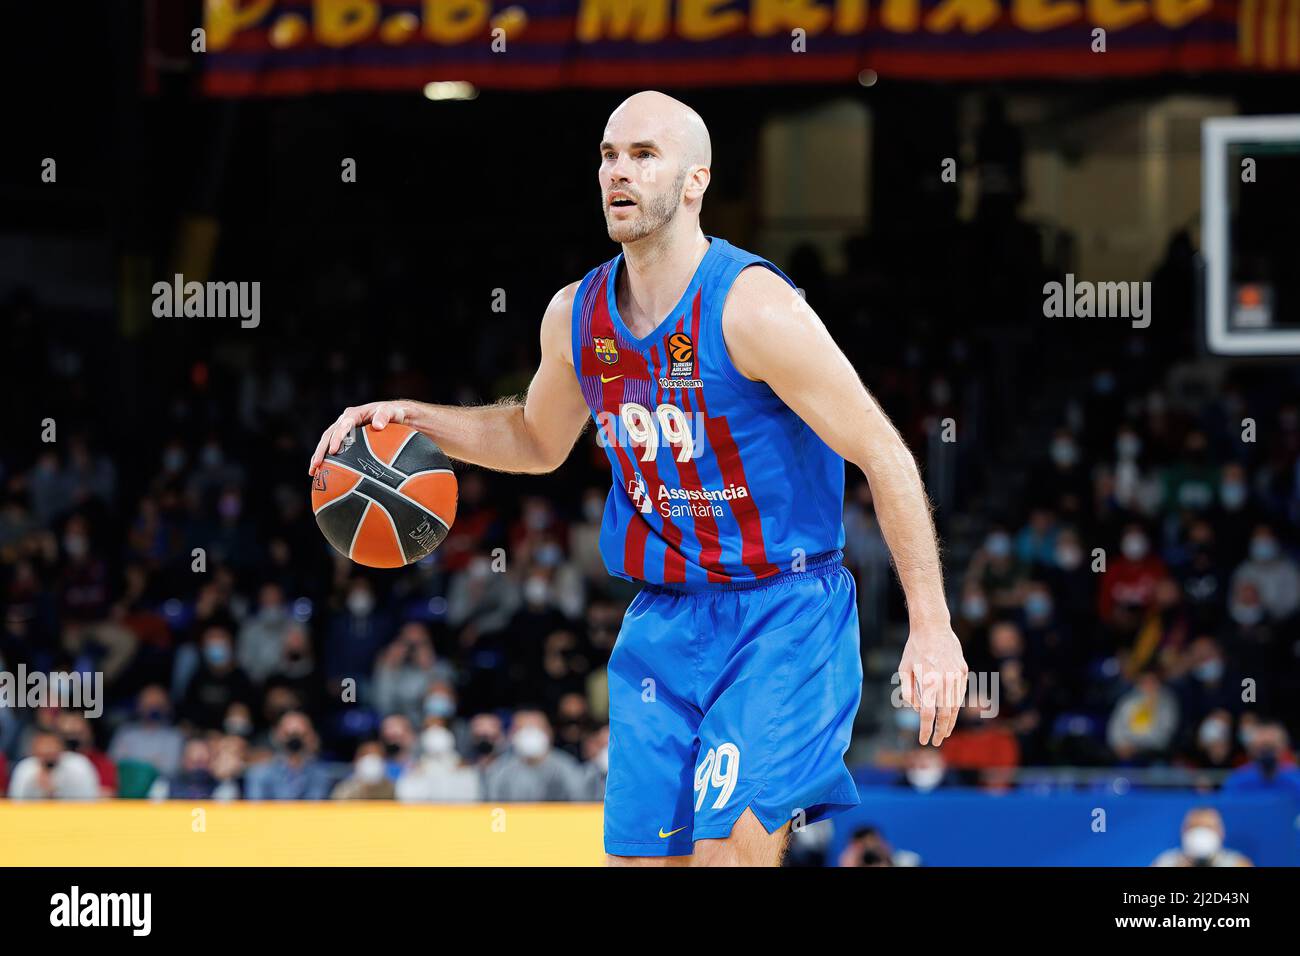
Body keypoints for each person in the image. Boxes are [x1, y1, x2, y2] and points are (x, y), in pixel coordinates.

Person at [309, 91, 966, 867]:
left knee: (730, 858)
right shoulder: (574, 316)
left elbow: (883, 451)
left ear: (695, 182)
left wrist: (930, 622)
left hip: (781, 615)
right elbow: (532, 438)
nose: (619, 172)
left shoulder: (754, 308)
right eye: (608, 156)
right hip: (662, 621)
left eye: (644, 155)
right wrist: (411, 418)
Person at [8, 731, 101, 800]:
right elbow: (16, 804)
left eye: (51, 745)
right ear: (34, 749)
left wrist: (56, 792)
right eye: (44, 745)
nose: (48, 750)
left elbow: (90, 800)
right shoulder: (25, 769)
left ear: (62, 746)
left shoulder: (79, 766)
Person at [1151, 808, 1252, 867]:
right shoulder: (1165, 862)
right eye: (1195, 827)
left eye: (1208, 827)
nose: (1201, 833)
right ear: (1183, 832)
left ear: (1221, 833)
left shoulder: (1237, 863)